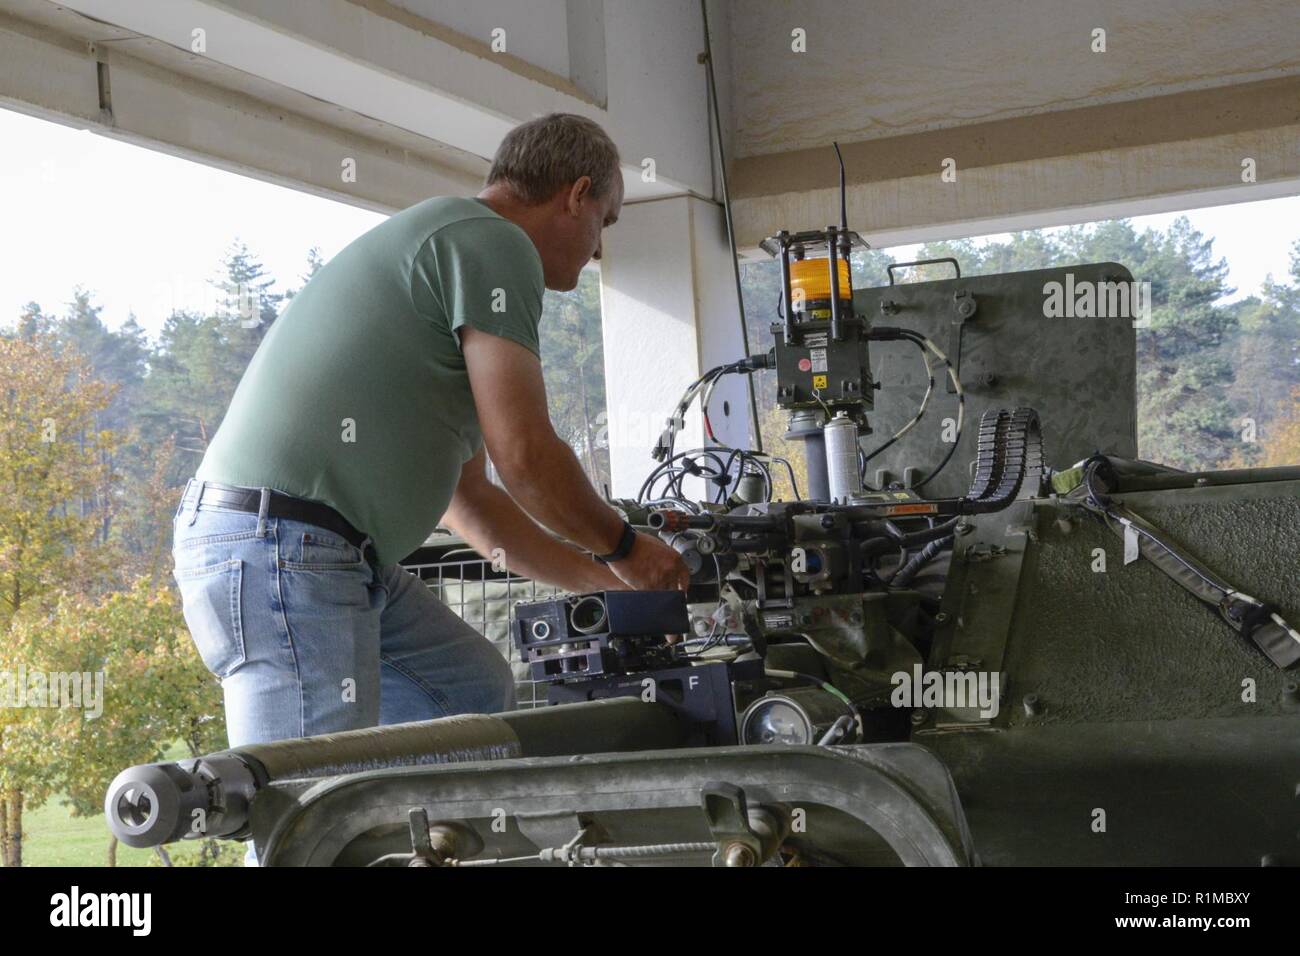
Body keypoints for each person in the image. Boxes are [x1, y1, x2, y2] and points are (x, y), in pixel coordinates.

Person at [172, 113, 689, 763]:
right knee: (306, 803)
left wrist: (605, 582)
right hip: (285, 550)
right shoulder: (492, 243)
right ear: (576, 193)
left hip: (323, 552)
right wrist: (624, 546)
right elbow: (525, 457)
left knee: (465, 691)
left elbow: (473, 502)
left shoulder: (458, 250)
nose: (598, 251)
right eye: (604, 223)